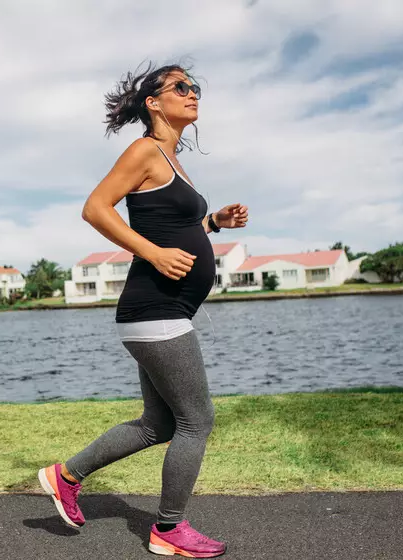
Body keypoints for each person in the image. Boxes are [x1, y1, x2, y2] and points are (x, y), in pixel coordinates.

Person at [38, 62, 249, 558]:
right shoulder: (144, 150)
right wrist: (151, 254)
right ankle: (169, 530)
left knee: (161, 424)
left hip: (160, 312)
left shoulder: (173, 161)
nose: (193, 93)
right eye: (181, 87)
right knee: (197, 420)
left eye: (196, 87)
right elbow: (96, 208)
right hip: (156, 309)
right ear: (154, 102)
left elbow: (172, 225)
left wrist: (213, 223)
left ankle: (65, 476)